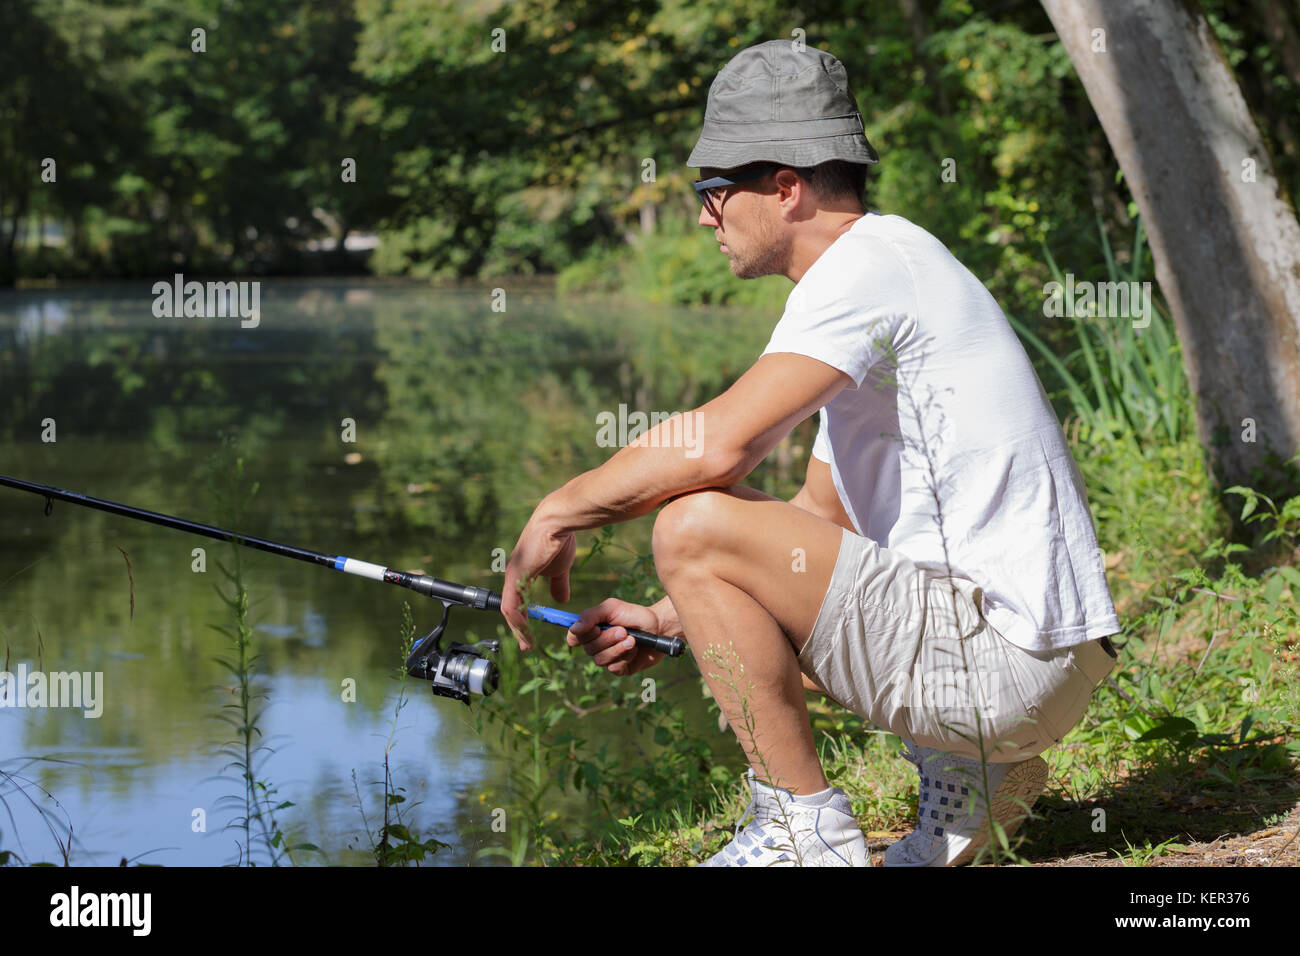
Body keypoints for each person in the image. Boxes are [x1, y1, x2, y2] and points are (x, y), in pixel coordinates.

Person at [501, 39, 1121, 867]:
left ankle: (805, 833)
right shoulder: (891, 269)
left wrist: (560, 508)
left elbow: (716, 445)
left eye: (713, 191)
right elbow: (813, 525)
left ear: (785, 188)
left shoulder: (863, 269)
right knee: (716, 538)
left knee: (692, 522)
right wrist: (664, 618)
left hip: (1003, 665)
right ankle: (975, 770)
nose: (701, 215)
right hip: (1041, 662)